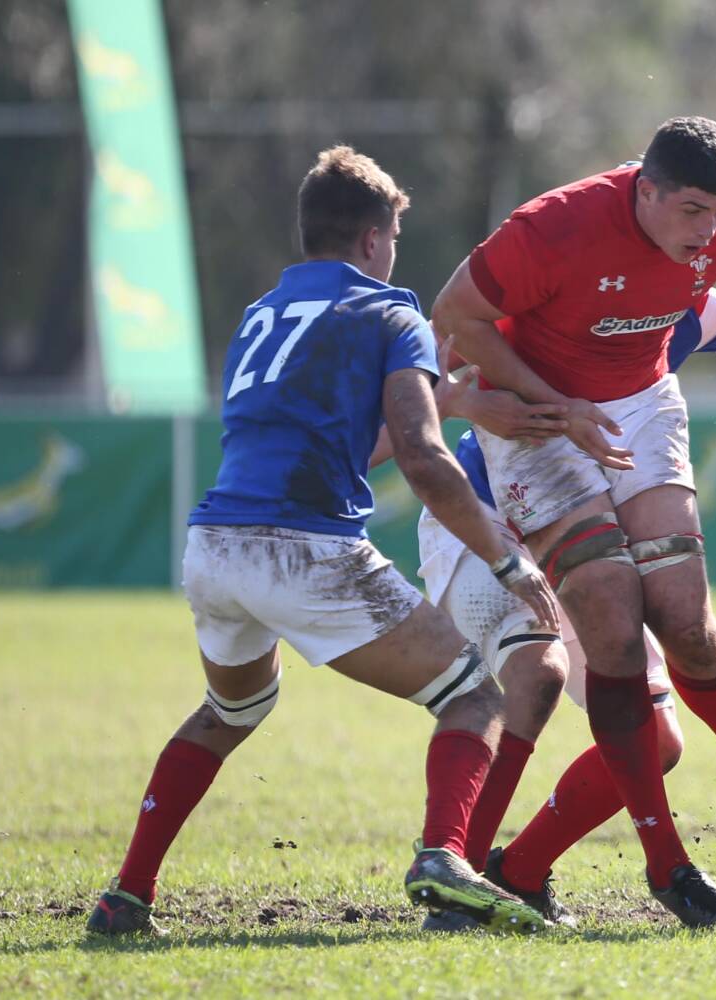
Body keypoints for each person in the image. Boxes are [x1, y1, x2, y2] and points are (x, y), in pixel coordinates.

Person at [85, 146, 559, 937]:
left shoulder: (261, 313)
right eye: (394, 242)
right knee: (473, 694)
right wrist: (506, 560)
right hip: (303, 548)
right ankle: (444, 856)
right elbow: (422, 458)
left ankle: (126, 895)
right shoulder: (390, 311)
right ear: (376, 240)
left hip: (213, 545)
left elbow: (350, 439)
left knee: (229, 711)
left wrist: (453, 402)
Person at [431, 116, 716, 929]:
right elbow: (454, 319)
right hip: (534, 419)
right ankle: (669, 869)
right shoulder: (552, 229)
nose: (708, 234)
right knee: (612, 622)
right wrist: (552, 405)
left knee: (686, 618)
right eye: (691, 211)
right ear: (643, 191)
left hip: (642, 403)